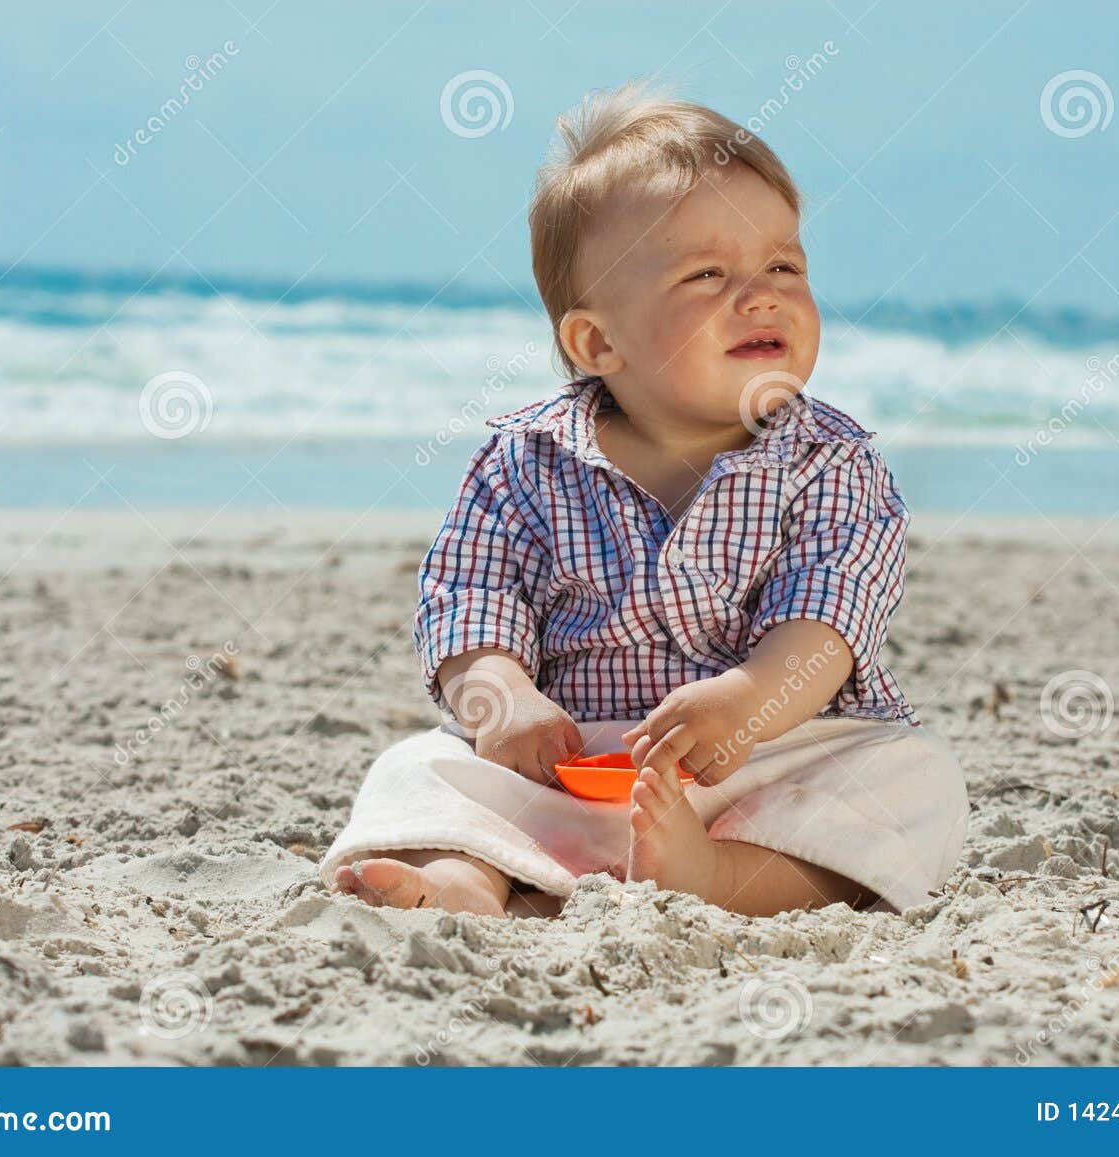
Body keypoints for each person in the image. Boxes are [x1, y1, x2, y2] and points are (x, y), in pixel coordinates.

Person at [322, 82, 968, 918]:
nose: (762, 293)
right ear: (598, 341)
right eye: (708, 274)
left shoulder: (830, 461)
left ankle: (718, 876)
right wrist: (504, 697)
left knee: (915, 779)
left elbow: (829, 625)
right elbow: (468, 596)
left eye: (783, 264)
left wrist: (750, 700)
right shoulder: (526, 460)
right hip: (564, 769)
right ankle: (464, 880)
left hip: (760, 761)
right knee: (415, 769)